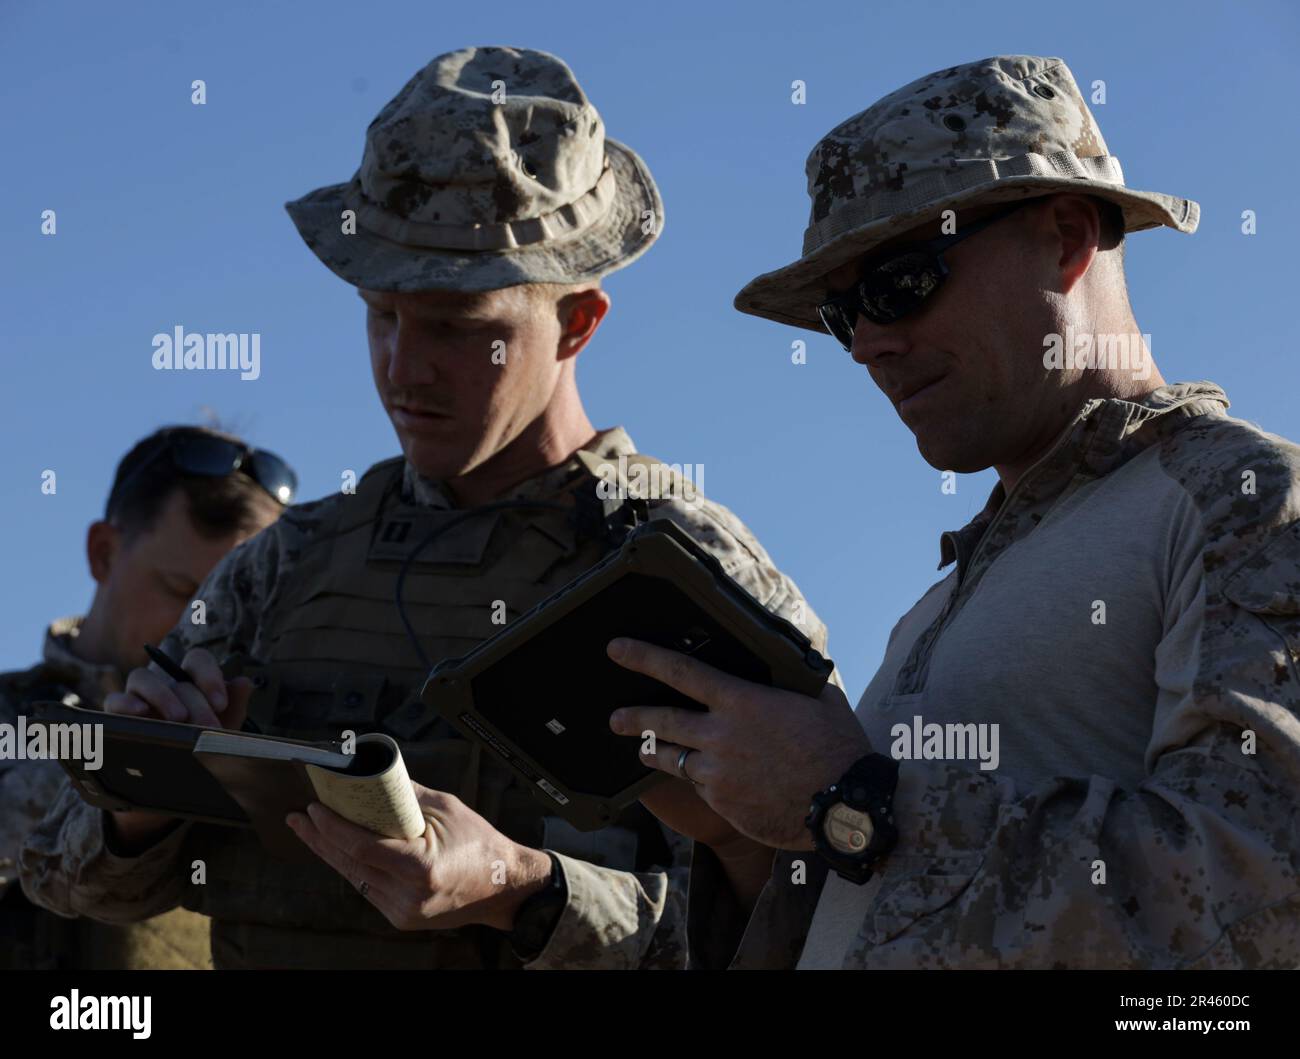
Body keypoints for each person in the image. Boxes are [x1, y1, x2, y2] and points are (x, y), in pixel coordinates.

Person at [317, 53, 1300, 972]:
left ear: (1066, 238)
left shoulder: (1241, 503)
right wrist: (740, 841)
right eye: (842, 316)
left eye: (899, 284)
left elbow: (1260, 900)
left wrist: (856, 797)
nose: (869, 342)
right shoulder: (947, 598)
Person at [20, 46, 834, 970]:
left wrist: (523, 891)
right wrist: (138, 802)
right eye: (383, 315)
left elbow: (826, 918)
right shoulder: (286, 566)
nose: (405, 371)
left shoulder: (684, 573)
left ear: (577, 322)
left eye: (458, 329)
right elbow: (67, 874)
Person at [2, 424, 291, 969]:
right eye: (183, 593)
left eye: (235, 607)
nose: (205, 628)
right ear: (104, 552)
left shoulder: (273, 740)